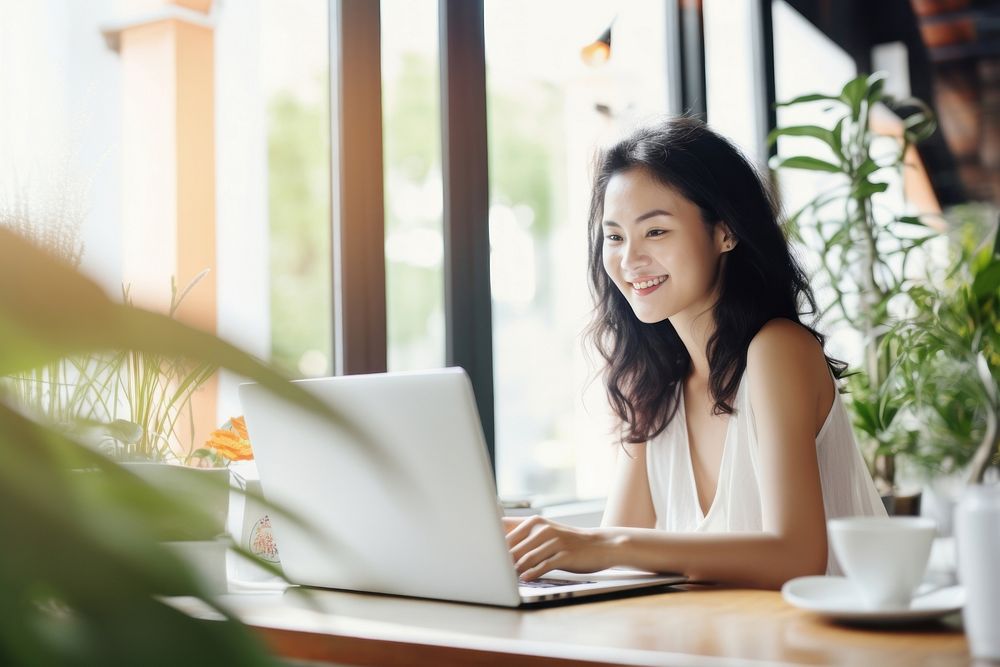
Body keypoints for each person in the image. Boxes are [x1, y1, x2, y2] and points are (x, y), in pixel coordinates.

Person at [504, 117, 887, 589]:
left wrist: (603, 545)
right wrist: (511, 546)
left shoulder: (777, 350)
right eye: (615, 236)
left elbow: (797, 556)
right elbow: (616, 566)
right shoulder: (654, 386)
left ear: (725, 232)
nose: (629, 260)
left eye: (656, 232)